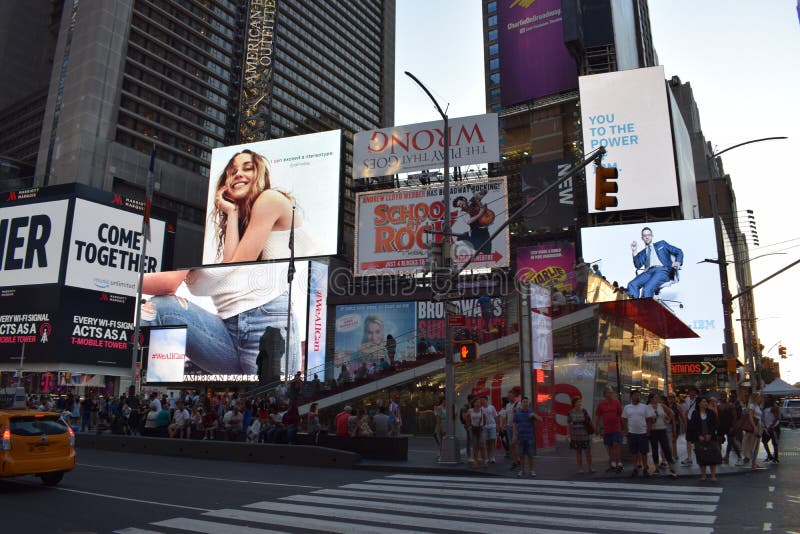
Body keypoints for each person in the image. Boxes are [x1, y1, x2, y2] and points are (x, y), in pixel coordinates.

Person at [139, 149, 317, 376]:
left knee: (273, 402)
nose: (238, 175)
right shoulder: (231, 225)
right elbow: (231, 266)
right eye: (232, 172)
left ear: (259, 173)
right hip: (228, 327)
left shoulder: (269, 199)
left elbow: (170, 283)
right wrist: (231, 213)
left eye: (247, 168)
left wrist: (115, 281)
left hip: (266, 321)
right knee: (162, 308)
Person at [627, 226, 683, 299]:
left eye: (648, 235)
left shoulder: (661, 244)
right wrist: (634, 251)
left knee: (647, 288)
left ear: (652, 236)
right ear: (642, 238)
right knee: (632, 284)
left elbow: (678, 251)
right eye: (644, 236)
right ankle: (634, 307)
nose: (647, 237)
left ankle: (646, 309)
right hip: (648, 272)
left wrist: (678, 261)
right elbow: (637, 265)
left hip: (662, 271)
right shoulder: (643, 252)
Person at [622, 390, 655, 477]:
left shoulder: (644, 407)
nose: (638, 397)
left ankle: (645, 469)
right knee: (634, 452)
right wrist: (626, 430)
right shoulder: (627, 407)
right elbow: (624, 419)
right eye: (636, 395)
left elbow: (649, 419)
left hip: (643, 433)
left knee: (644, 452)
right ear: (631, 396)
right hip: (632, 433)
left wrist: (648, 431)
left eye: (639, 395)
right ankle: (635, 468)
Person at [688, 397, 721, 481]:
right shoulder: (695, 413)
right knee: (701, 455)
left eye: (706, 401)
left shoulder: (711, 413)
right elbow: (693, 426)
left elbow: (715, 424)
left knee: (712, 455)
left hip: (711, 437)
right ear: (699, 404)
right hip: (699, 438)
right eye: (703, 401)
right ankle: (703, 475)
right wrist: (699, 435)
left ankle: (713, 475)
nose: (705, 403)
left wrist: (710, 434)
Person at [453, 190, 492, 255]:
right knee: (477, 247)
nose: (461, 206)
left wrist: (479, 193)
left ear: (463, 199)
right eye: (459, 206)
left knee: (487, 252)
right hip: (476, 232)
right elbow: (469, 221)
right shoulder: (462, 212)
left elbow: (485, 191)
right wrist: (480, 214)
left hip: (485, 230)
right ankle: (462, 240)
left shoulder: (473, 200)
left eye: (460, 203)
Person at [648, 394, 678, 478]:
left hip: (662, 429)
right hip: (653, 430)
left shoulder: (661, 406)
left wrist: (668, 420)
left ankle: (672, 468)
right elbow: (646, 419)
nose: (657, 399)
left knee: (666, 448)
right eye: (656, 397)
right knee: (654, 449)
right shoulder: (647, 407)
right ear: (651, 399)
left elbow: (671, 412)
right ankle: (656, 468)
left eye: (658, 397)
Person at [596, 386, 624, 472]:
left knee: (616, 444)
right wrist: (596, 427)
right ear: (605, 394)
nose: (611, 394)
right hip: (607, 428)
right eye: (609, 392)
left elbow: (621, 415)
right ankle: (612, 463)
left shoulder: (616, 403)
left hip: (616, 427)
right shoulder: (601, 404)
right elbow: (598, 416)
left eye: (611, 392)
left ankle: (619, 463)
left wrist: (623, 427)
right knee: (609, 446)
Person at [513, 396, 542, 477]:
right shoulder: (517, 413)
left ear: (528, 403)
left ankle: (531, 470)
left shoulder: (531, 412)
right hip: (520, 437)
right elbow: (514, 423)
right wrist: (514, 434)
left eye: (527, 402)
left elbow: (540, 420)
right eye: (524, 402)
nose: (526, 403)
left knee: (530, 455)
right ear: (521, 403)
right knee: (521, 455)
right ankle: (521, 470)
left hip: (529, 437)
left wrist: (534, 415)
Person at [566, 397, 594, 474]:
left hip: (584, 434)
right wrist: (568, 434)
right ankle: (581, 468)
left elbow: (589, 420)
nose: (579, 403)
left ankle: (590, 467)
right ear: (574, 403)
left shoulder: (584, 411)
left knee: (588, 451)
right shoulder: (570, 413)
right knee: (578, 452)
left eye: (580, 402)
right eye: (578, 402)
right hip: (575, 435)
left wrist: (594, 429)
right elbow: (568, 424)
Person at [740, 392, 764, 468]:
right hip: (754, 425)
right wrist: (754, 427)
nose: (760, 398)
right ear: (755, 397)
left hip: (759, 425)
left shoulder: (757, 406)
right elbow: (750, 417)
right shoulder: (752, 406)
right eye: (759, 397)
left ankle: (754, 461)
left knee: (756, 444)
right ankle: (749, 459)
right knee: (751, 443)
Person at [681, 387, 699, 466]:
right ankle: (689, 458)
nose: (692, 393)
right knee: (688, 440)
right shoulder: (687, 399)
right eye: (691, 391)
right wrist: (685, 423)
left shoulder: (698, 400)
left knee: (697, 440)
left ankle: (700, 456)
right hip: (689, 420)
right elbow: (684, 411)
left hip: (697, 421)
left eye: (693, 392)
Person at [468, 397, 487, 467]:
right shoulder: (470, 410)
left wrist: (483, 426)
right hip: (473, 428)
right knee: (475, 445)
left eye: (479, 402)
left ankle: (484, 459)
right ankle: (475, 460)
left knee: (482, 445)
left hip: (480, 428)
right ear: (474, 403)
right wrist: (469, 427)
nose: (478, 403)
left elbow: (485, 420)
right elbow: (468, 419)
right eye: (477, 402)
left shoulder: (482, 410)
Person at [762, 397, 780, 463]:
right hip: (767, 427)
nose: (766, 400)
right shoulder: (765, 407)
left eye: (767, 399)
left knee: (774, 443)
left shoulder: (774, 407)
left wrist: (771, 426)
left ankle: (776, 457)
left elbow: (776, 418)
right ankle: (769, 455)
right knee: (764, 441)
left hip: (773, 427)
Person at [482, 396, 500, 463]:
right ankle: (488, 456)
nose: (482, 401)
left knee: (492, 441)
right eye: (481, 400)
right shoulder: (481, 409)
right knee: (487, 442)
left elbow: (496, 416)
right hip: (485, 427)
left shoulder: (491, 407)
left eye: (483, 400)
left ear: (486, 400)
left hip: (492, 426)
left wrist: (497, 425)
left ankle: (492, 457)